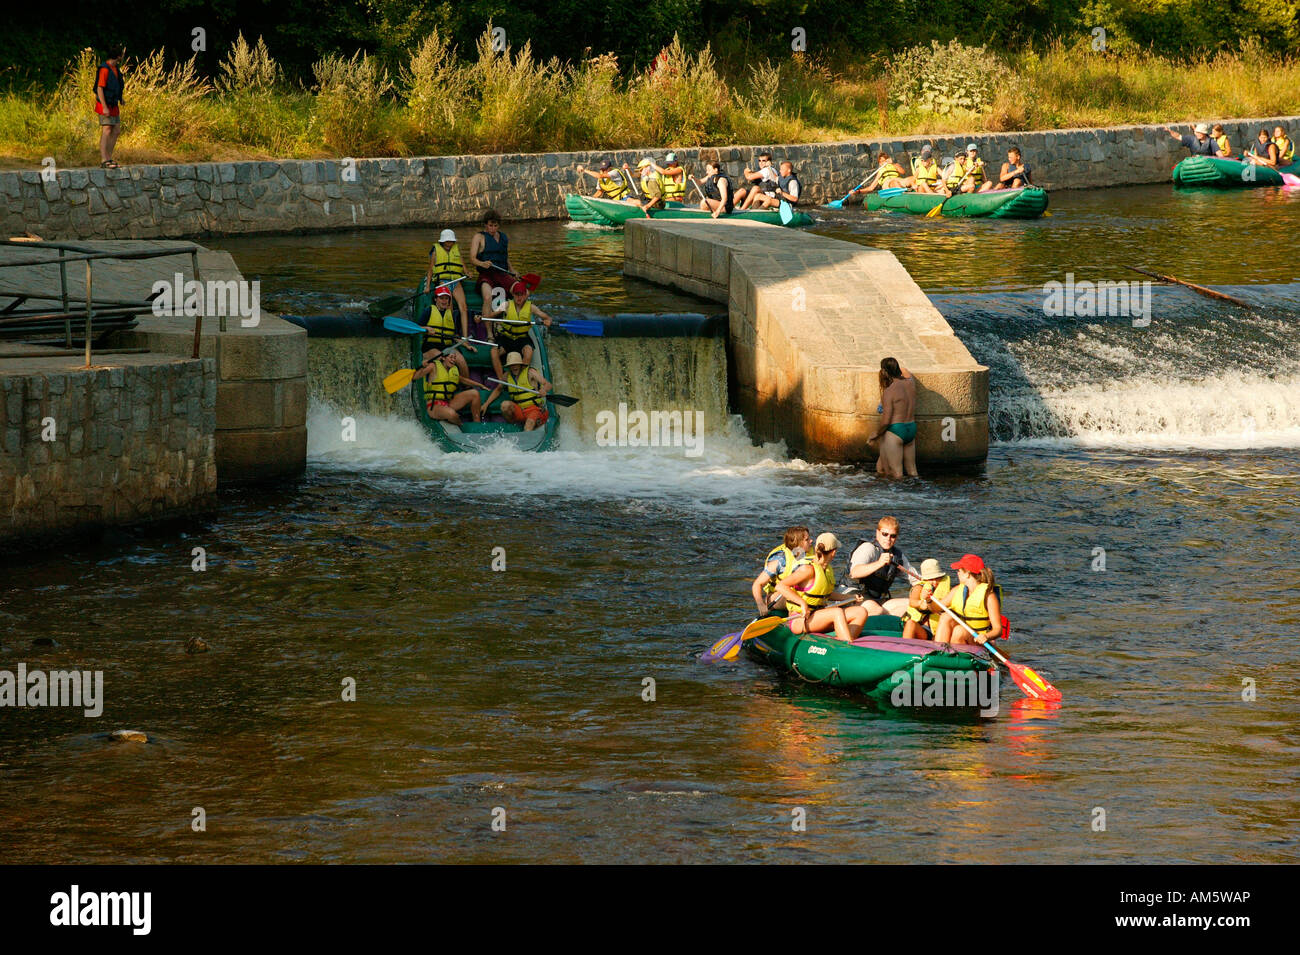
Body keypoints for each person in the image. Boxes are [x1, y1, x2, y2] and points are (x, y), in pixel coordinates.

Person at [774, 533, 868, 643]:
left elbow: (826, 594)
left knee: (861, 612)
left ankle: (844, 642)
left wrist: (850, 597)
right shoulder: (808, 569)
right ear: (833, 552)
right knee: (836, 612)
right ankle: (845, 645)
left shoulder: (826, 569)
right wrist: (802, 604)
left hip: (817, 616)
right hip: (799, 619)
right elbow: (780, 586)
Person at [846, 517, 916, 616]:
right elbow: (854, 573)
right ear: (877, 533)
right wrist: (879, 563)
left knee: (914, 606)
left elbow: (915, 578)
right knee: (877, 611)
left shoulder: (897, 556)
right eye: (885, 534)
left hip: (877, 600)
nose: (888, 539)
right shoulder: (868, 548)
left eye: (893, 536)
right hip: (853, 595)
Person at [486, 280, 552, 380]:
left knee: (529, 351)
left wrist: (547, 321)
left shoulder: (531, 307)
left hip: (522, 338)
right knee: (493, 352)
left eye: (521, 294)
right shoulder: (506, 305)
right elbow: (490, 316)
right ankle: (501, 379)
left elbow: (546, 317)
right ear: (513, 295)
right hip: (507, 338)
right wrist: (480, 317)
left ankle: (520, 378)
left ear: (525, 295)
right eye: (517, 294)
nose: (519, 297)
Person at [933, 554, 1004, 645]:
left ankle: (955, 656)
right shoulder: (958, 589)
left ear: (967, 574)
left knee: (959, 631)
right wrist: (928, 600)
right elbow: (935, 608)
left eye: (959, 571)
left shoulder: (989, 596)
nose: (957, 573)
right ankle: (939, 650)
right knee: (945, 616)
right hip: (964, 635)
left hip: (978, 641)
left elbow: (998, 630)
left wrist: (986, 636)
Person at [870, 357, 918, 479]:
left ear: (885, 372)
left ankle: (897, 497)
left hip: (895, 431)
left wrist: (875, 434)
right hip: (911, 428)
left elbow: (886, 421)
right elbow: (905, 370)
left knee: (896, 474)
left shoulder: (889, 392)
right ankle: (920, 494)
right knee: (912, 471)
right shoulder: (910, 383)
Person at [750, 525, 812, 617]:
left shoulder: (808, 554)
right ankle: (794, 623)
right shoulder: (780, 560)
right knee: (795, 596)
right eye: (807, 540)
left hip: (795, 592)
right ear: (798, 544)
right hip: (776, 597)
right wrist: (760, 604)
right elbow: (757, 584)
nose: (811, 541)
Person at [483, 351, 552, 431]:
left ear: (520, 364)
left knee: (529, 425)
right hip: (520, 410)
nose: (514, 367)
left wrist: (543, 389)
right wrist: (486, 403)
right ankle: (514, 426)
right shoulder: (507, 376)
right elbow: (498, 389)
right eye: (511, 365)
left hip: (534, 409)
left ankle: (528, 431)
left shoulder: (530, 372)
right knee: (504, 405)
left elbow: (548, 384)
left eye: (516, 364)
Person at [413, 348, 481, 425]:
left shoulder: (453, 370)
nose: (453, 360)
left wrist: (480, 385)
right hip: (433, 405)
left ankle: (478, 425)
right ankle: (461, 425)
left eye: (455, 358)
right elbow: (415, 377)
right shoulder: (433, 366)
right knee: (451, 414)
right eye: (451, 357)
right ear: (443, 358)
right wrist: (422, 366)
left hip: (448, 402)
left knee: (475, 393)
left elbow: (462, 379)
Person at [426, 229, 472, 338]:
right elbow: (430, 270)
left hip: (456, 281)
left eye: (451, 241)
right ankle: (452, 333)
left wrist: (468, 273)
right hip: (443, 281)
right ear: (442, 242)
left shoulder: (456, 251)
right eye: (447, 242)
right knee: (449, 307)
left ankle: (464, 337)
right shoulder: (436, 252)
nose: (449, 244)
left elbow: (464, 267)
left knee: (463, 307)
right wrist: (427, 286)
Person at [469, 210, 513, 321]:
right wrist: (482, 263)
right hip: (486, 275)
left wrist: (513, 270)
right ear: (485, 225)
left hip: (502, 274)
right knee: (488, 297)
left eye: (495, 226)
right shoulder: (479, 237)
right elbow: (472, 259)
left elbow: (504, 257)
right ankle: (489, 333)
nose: (492, 229)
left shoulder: (503, 237)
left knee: (522, 292)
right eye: (490, 226)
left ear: (498, 225)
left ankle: (505, 320)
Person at [900, 559, 951, 641]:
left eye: (937, 578)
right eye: (931, 579)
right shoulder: (919, 587)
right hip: (922, 628)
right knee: (910, 623)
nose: (934, 582)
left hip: (938, 630)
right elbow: (912, 602)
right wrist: (921, 603)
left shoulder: (947, 589)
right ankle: (905, 648)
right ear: (925, 579)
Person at [418, 284, 470, 362]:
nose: (444, 301)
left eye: (446, 298)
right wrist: (426, 328)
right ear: (435, 299)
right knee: (442, 358)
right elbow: (417, 327)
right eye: (441, 298)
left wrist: (466, 345)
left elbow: (454, 335)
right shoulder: (429, 311)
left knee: (461, 361)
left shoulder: (450, 314)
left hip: (447, 347)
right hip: (430, 346)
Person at [95, 49, 125, 169]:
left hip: (113, 104)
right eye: (122, 55)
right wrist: (104, 107)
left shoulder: (115, 69)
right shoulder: (104, 69)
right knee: (107, 130)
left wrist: (120, 98)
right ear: (118, 56)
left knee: (116, 130)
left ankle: (109, 157)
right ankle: (104, 160)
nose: (122, 57)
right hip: (105, 105)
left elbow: (115, 86)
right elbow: (100, 89)